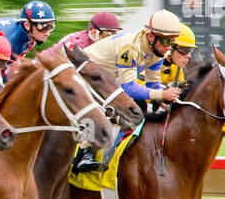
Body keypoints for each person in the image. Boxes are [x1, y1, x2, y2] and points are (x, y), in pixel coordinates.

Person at [72, 9, 184, 172]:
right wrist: (160, 94)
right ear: (151, 37)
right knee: (124, 108)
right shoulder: (129, 48)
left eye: (172, 42)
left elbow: (152, 84)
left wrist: (164, 97)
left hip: (106, 80)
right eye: (167, 42)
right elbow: (129, 88)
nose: (169, 48)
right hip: (85, 75)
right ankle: (86, 153)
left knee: (137, 108)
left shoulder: (157, 52)